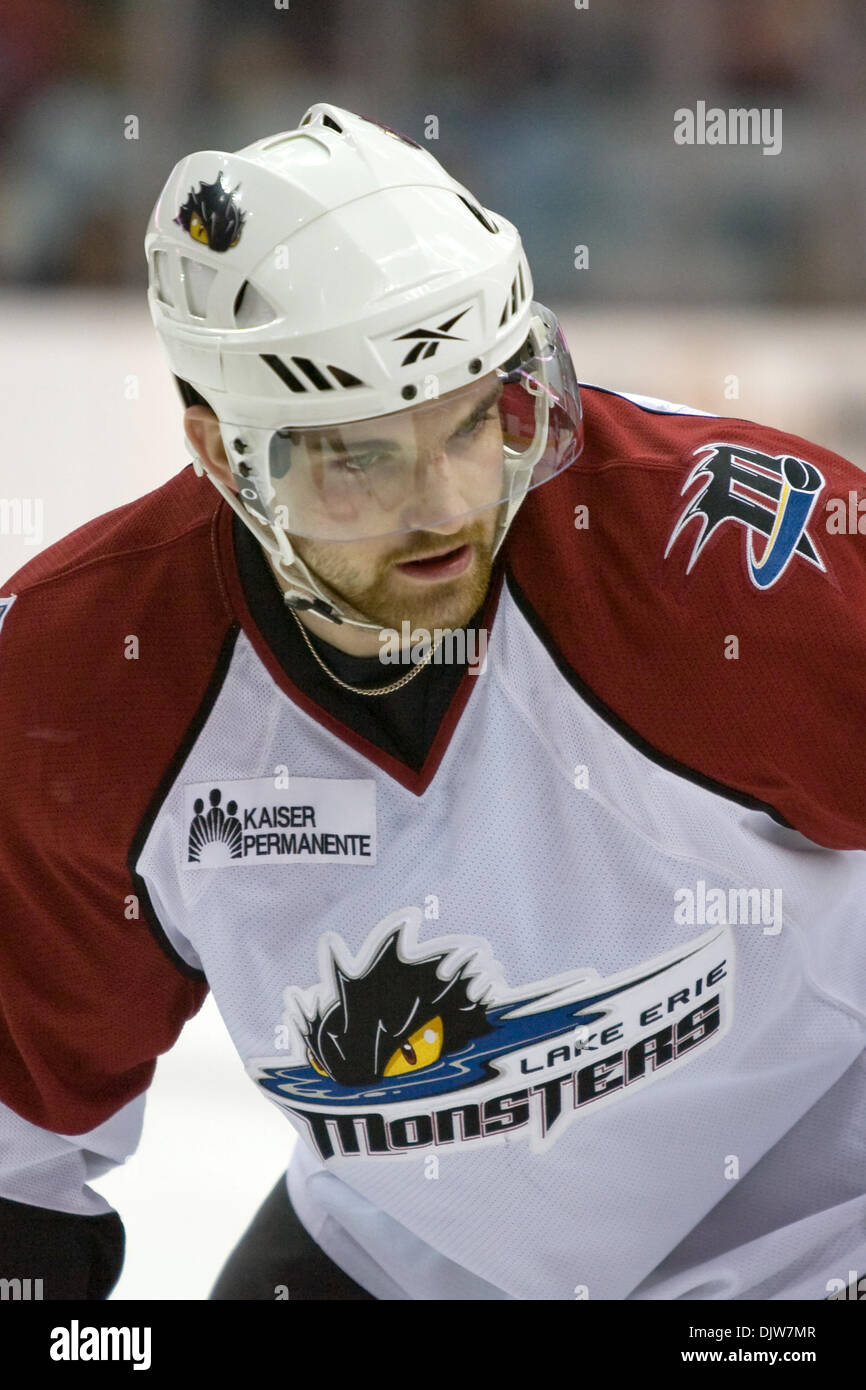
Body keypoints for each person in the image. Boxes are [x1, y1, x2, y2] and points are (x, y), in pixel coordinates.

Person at [1, 102, 865, 1303]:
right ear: (219, 453)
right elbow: (18, 1163)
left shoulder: (719, 555)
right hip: (424, 1250)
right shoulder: (79, 680)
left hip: (821, 1222)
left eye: (479, 423)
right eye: (361, 454)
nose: (448, 503)